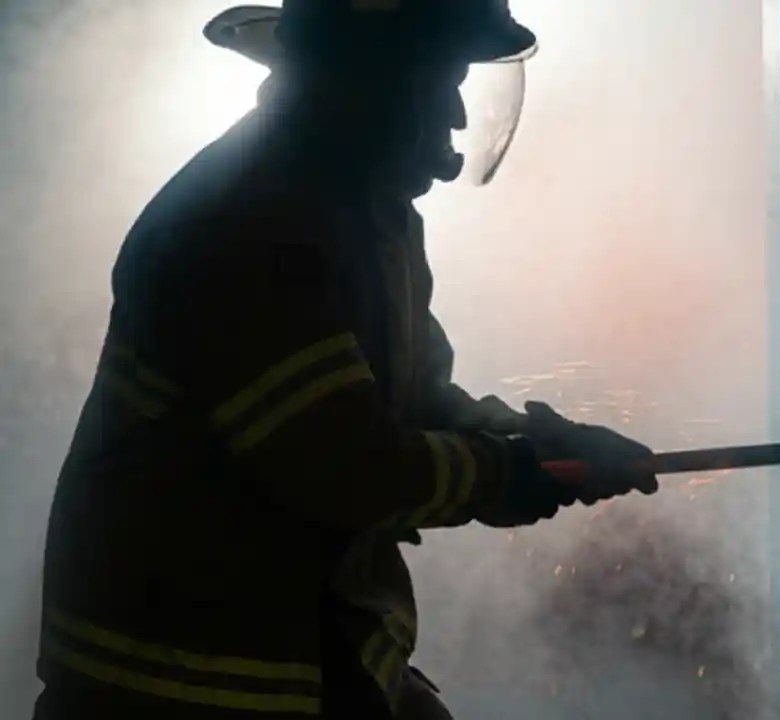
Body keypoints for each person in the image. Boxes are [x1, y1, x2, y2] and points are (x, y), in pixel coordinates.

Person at [32, 1, 659, 718]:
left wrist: (535, 442)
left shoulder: (354, 212)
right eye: (442, 78)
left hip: (283, 657)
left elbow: (411, 397)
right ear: (372, 76)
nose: (457, 116)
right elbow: (344, 466)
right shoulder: (247, 221)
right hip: (177, 684)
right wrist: (502, 474)